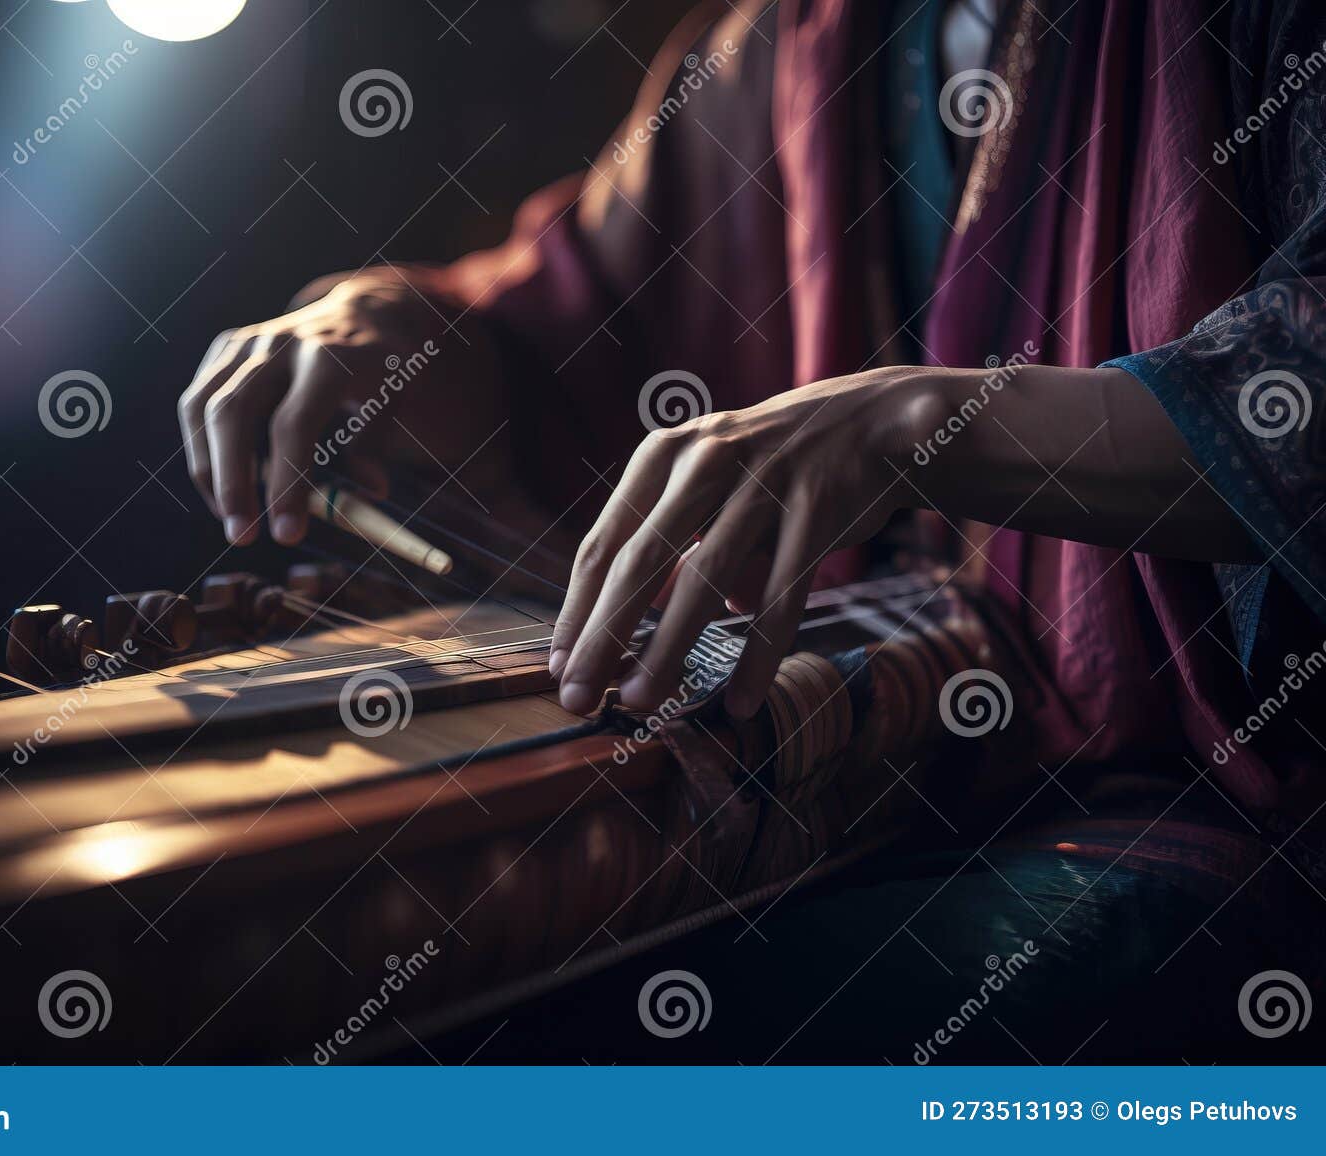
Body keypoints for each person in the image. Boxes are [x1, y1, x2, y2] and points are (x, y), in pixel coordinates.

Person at [178, 0, 1326, 1058]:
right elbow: (570, 331)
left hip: (1192, 801)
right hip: (868, 768)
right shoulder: (793, 39)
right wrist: (389, 328)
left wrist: (915, 419)